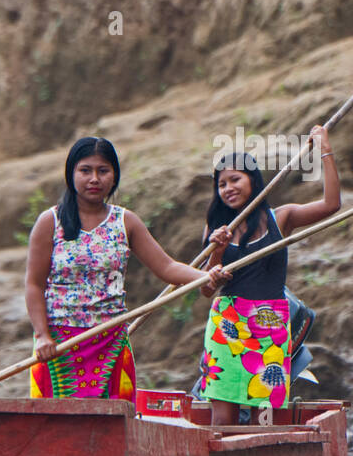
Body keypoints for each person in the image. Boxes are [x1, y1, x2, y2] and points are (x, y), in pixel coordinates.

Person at [25, 136, 231, 400]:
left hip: (109, 340)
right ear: (71, 174)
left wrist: (205, 276)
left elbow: (166, 266)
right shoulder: (50, 222)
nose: (94, 179)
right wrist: (42, 335)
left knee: (111, 426)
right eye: (85, 170)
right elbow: (34, 284)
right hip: (59, 344)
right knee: (55, 428)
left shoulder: (125, 221)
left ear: (114, 176)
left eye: (103, 171)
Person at [195, 126, 340, 425]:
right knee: (222, 418)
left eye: (235, 179)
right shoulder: (215, 230)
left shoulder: (280, 218)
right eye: (221, 184)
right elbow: (206, 290)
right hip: (227, 326)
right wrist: (217, 253)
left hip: (270, 323)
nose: (228, 188)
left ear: (253, 180)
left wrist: (325, 150)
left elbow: (331, 205)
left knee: (265, 417)